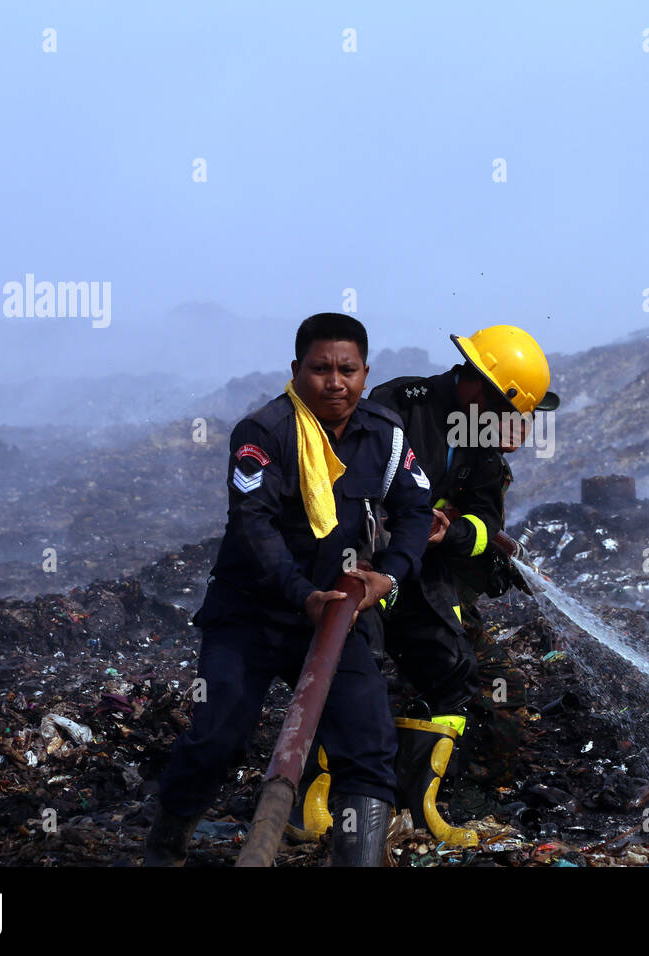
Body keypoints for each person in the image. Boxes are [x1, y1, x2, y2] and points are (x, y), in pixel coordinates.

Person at [144, 312, 432, 867]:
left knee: (368, 742)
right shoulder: (263, 434)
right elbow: (255, 525)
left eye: (347, 370)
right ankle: (165, 847)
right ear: (296, 370)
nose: (335, 382)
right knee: (217, 738)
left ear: (366, 374)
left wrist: (387, 576)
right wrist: (303, 593)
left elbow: (417, 509)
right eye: (321, 369)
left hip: (334, 617)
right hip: (250, 615)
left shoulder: (385, 435)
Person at [370, 324, 558, 846]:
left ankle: (455, 795)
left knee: (500, 690)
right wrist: (403, 519)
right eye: (510, 412)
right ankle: (379, 791)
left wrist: (452, 531)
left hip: (437, 583)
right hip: (375, 577)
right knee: (408, 673)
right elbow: (354, 483)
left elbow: (484, 524)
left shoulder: (483, 447)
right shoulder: (402, 405)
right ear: (478, 387)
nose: (515, 429)